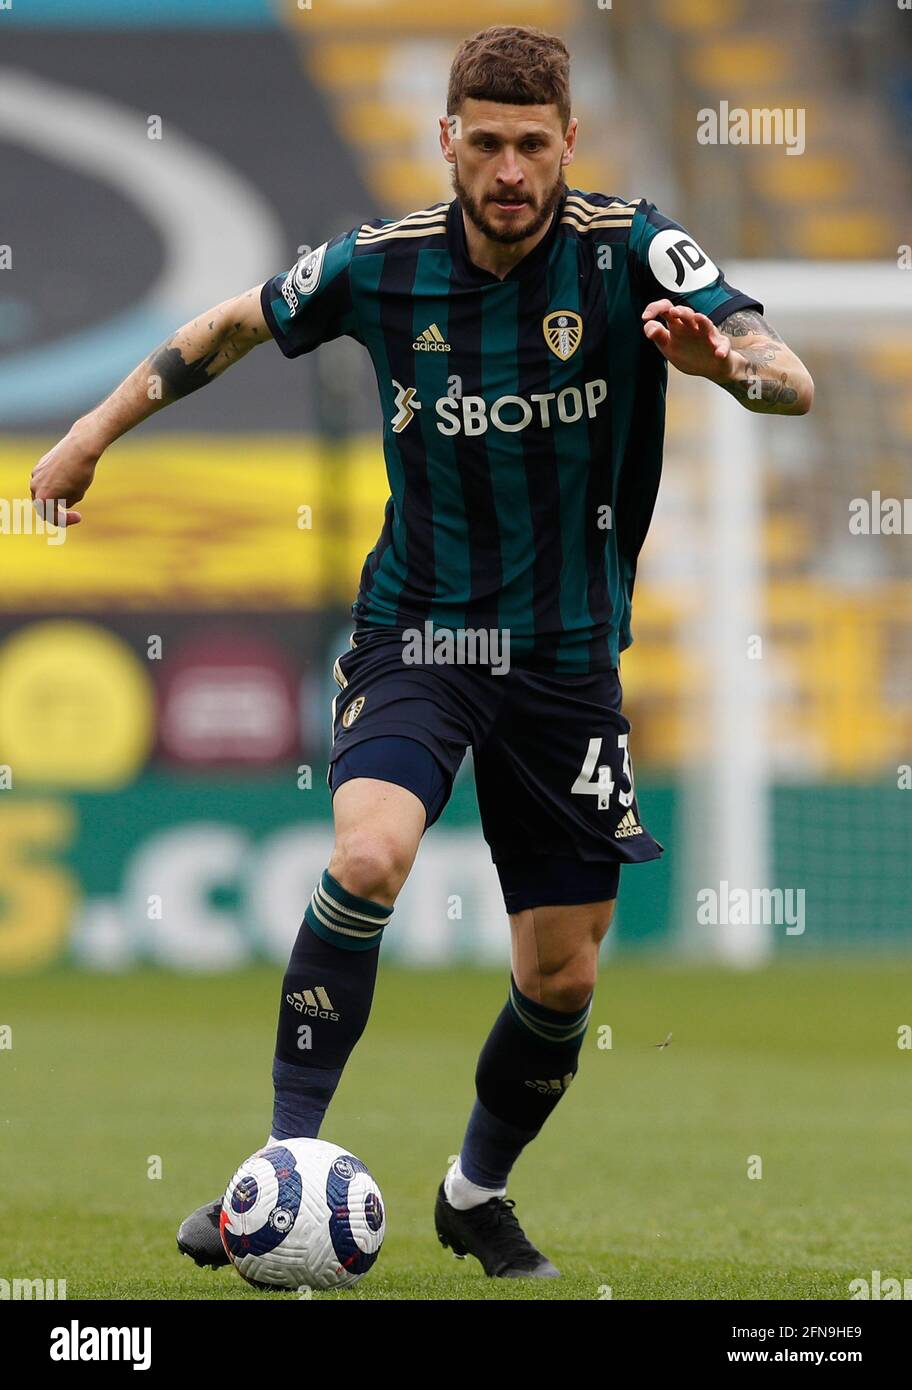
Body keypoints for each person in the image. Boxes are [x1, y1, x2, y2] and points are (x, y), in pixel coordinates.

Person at [30, 24, 813, 1280]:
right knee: (370, 851)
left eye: (534, 145)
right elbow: (232, 323)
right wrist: (88, 434)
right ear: (448, 141)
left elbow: (790, 376)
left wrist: (728, 371)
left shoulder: (634, 251)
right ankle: (280, 1171)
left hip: (566, 661)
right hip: (421, 635)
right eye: (488, 144)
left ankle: (471, 1193)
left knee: (560, 976)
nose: (511, 170)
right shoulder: (380, 269)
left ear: (571, 144)